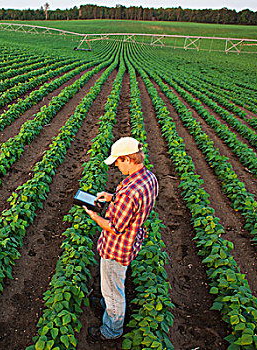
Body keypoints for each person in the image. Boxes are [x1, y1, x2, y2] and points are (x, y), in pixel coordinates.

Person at [83, 136, 159, 343]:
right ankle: (109, 305)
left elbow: (114, 227)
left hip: (116, 247)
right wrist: (111, 197)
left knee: (113, 289)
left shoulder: (130, 192)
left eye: (118, 161)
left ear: (128, 159)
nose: (116, 165)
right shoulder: (148, 178)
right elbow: (133, 204)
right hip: (132, 241)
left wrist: (94, 215)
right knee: (114, 281)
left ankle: (111, 330)